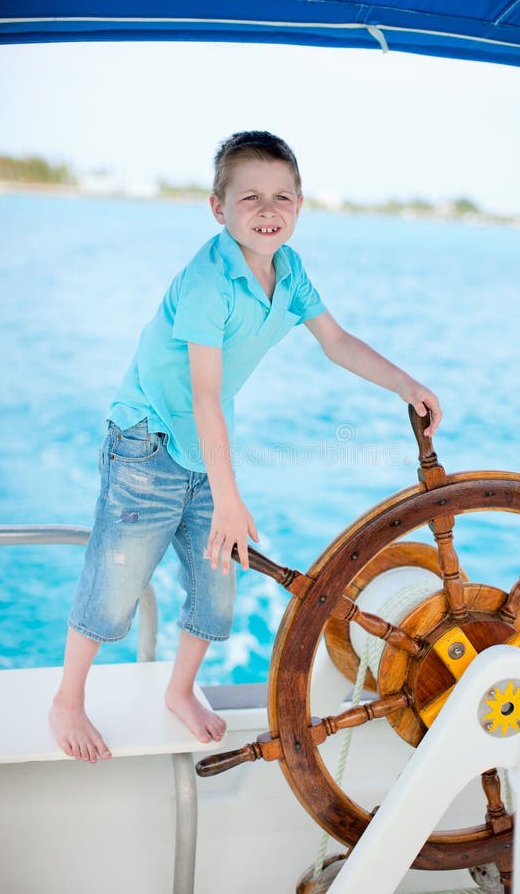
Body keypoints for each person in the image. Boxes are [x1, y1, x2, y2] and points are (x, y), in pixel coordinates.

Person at [49, 130, 442, 763]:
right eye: (250, 197)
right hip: (147, 440)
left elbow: (337, 342)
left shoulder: (289, 271)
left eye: (281, 197)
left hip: (206, 443)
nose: (267, 210)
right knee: (117, 579)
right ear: (218, 208)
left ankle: (180, 690)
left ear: (299, 205)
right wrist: (229, 497)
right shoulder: (210, 281)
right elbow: (205, 393)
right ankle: (68, 698)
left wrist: (407, 383)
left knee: (217, 577)